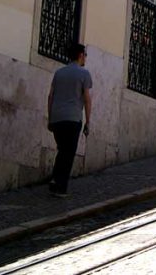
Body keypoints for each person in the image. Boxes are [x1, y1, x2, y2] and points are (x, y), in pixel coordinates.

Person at [47, 42, 93, 197]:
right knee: (69, 153)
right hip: (73, 119)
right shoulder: (84, 74)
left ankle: (55, 179)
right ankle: (61, 187)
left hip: (57, 118)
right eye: (85, 55)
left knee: (62, 150)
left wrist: (50, 118)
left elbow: (51, 96)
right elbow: (87, 99)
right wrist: (88, 121)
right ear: (80, 55)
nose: (85, 58)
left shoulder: (59, 73)